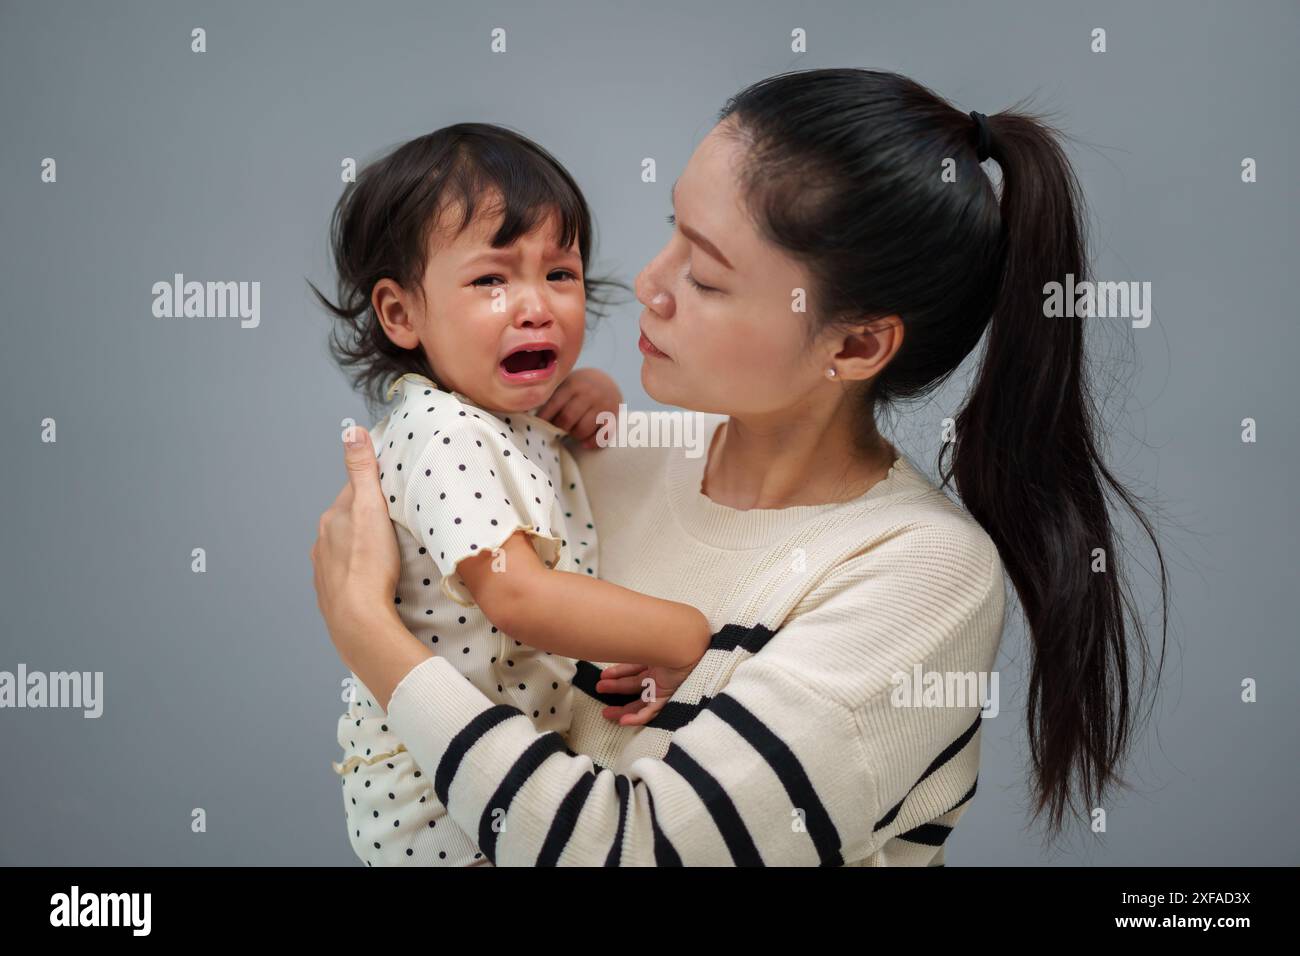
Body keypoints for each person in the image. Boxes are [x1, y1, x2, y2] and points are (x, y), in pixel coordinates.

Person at [312, 68, 1168, 865]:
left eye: (708, 276)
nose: (648, 285)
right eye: (670, 231)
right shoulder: (590, 459)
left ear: (857, 342)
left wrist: (370, 639)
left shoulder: (920, 577)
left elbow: (632, 850)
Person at [309, 123, 710, 866]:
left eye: (560, 274)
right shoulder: (443, 432)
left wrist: (587, 398)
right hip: (434, 803)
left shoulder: (499, 416)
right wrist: (685, 634)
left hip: (495, 765)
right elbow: (517, 596)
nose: (535, 307)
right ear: (400, 314)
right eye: (491, 280)